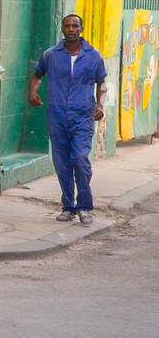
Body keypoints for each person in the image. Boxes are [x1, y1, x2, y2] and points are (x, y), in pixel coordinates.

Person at [28, 14, 108, 225]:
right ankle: (68, 206)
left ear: (81, 29)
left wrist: (100, 106)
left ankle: (84, 206)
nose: (71, 29)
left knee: (80, 159)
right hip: (57, 116)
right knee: (62, 163)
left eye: (75, 25)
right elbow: (37, 75)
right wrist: (32, 92)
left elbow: (102, 83)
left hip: (83, 116)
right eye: (67, 26)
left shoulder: (94, 56)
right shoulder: (51, 55)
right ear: (62, 29)